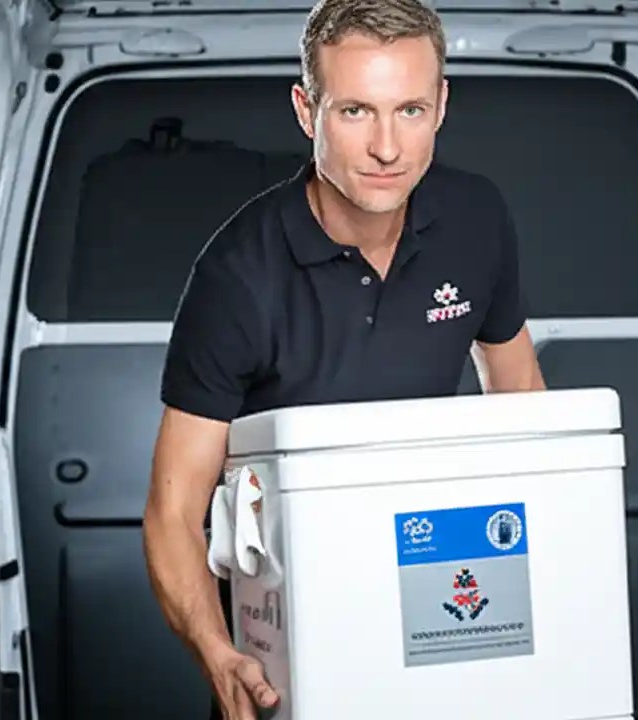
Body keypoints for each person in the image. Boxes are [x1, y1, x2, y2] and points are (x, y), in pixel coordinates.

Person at [142, 0, 545, 717]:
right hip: (295, 631)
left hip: (444, 595)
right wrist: (217, 654)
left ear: (441, 105)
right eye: (356, 111)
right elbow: (173, 512)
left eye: (410, 110)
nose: (388, 148)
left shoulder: (477, 217)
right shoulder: (237, 274)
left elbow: (522, 402)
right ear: (308, 111)